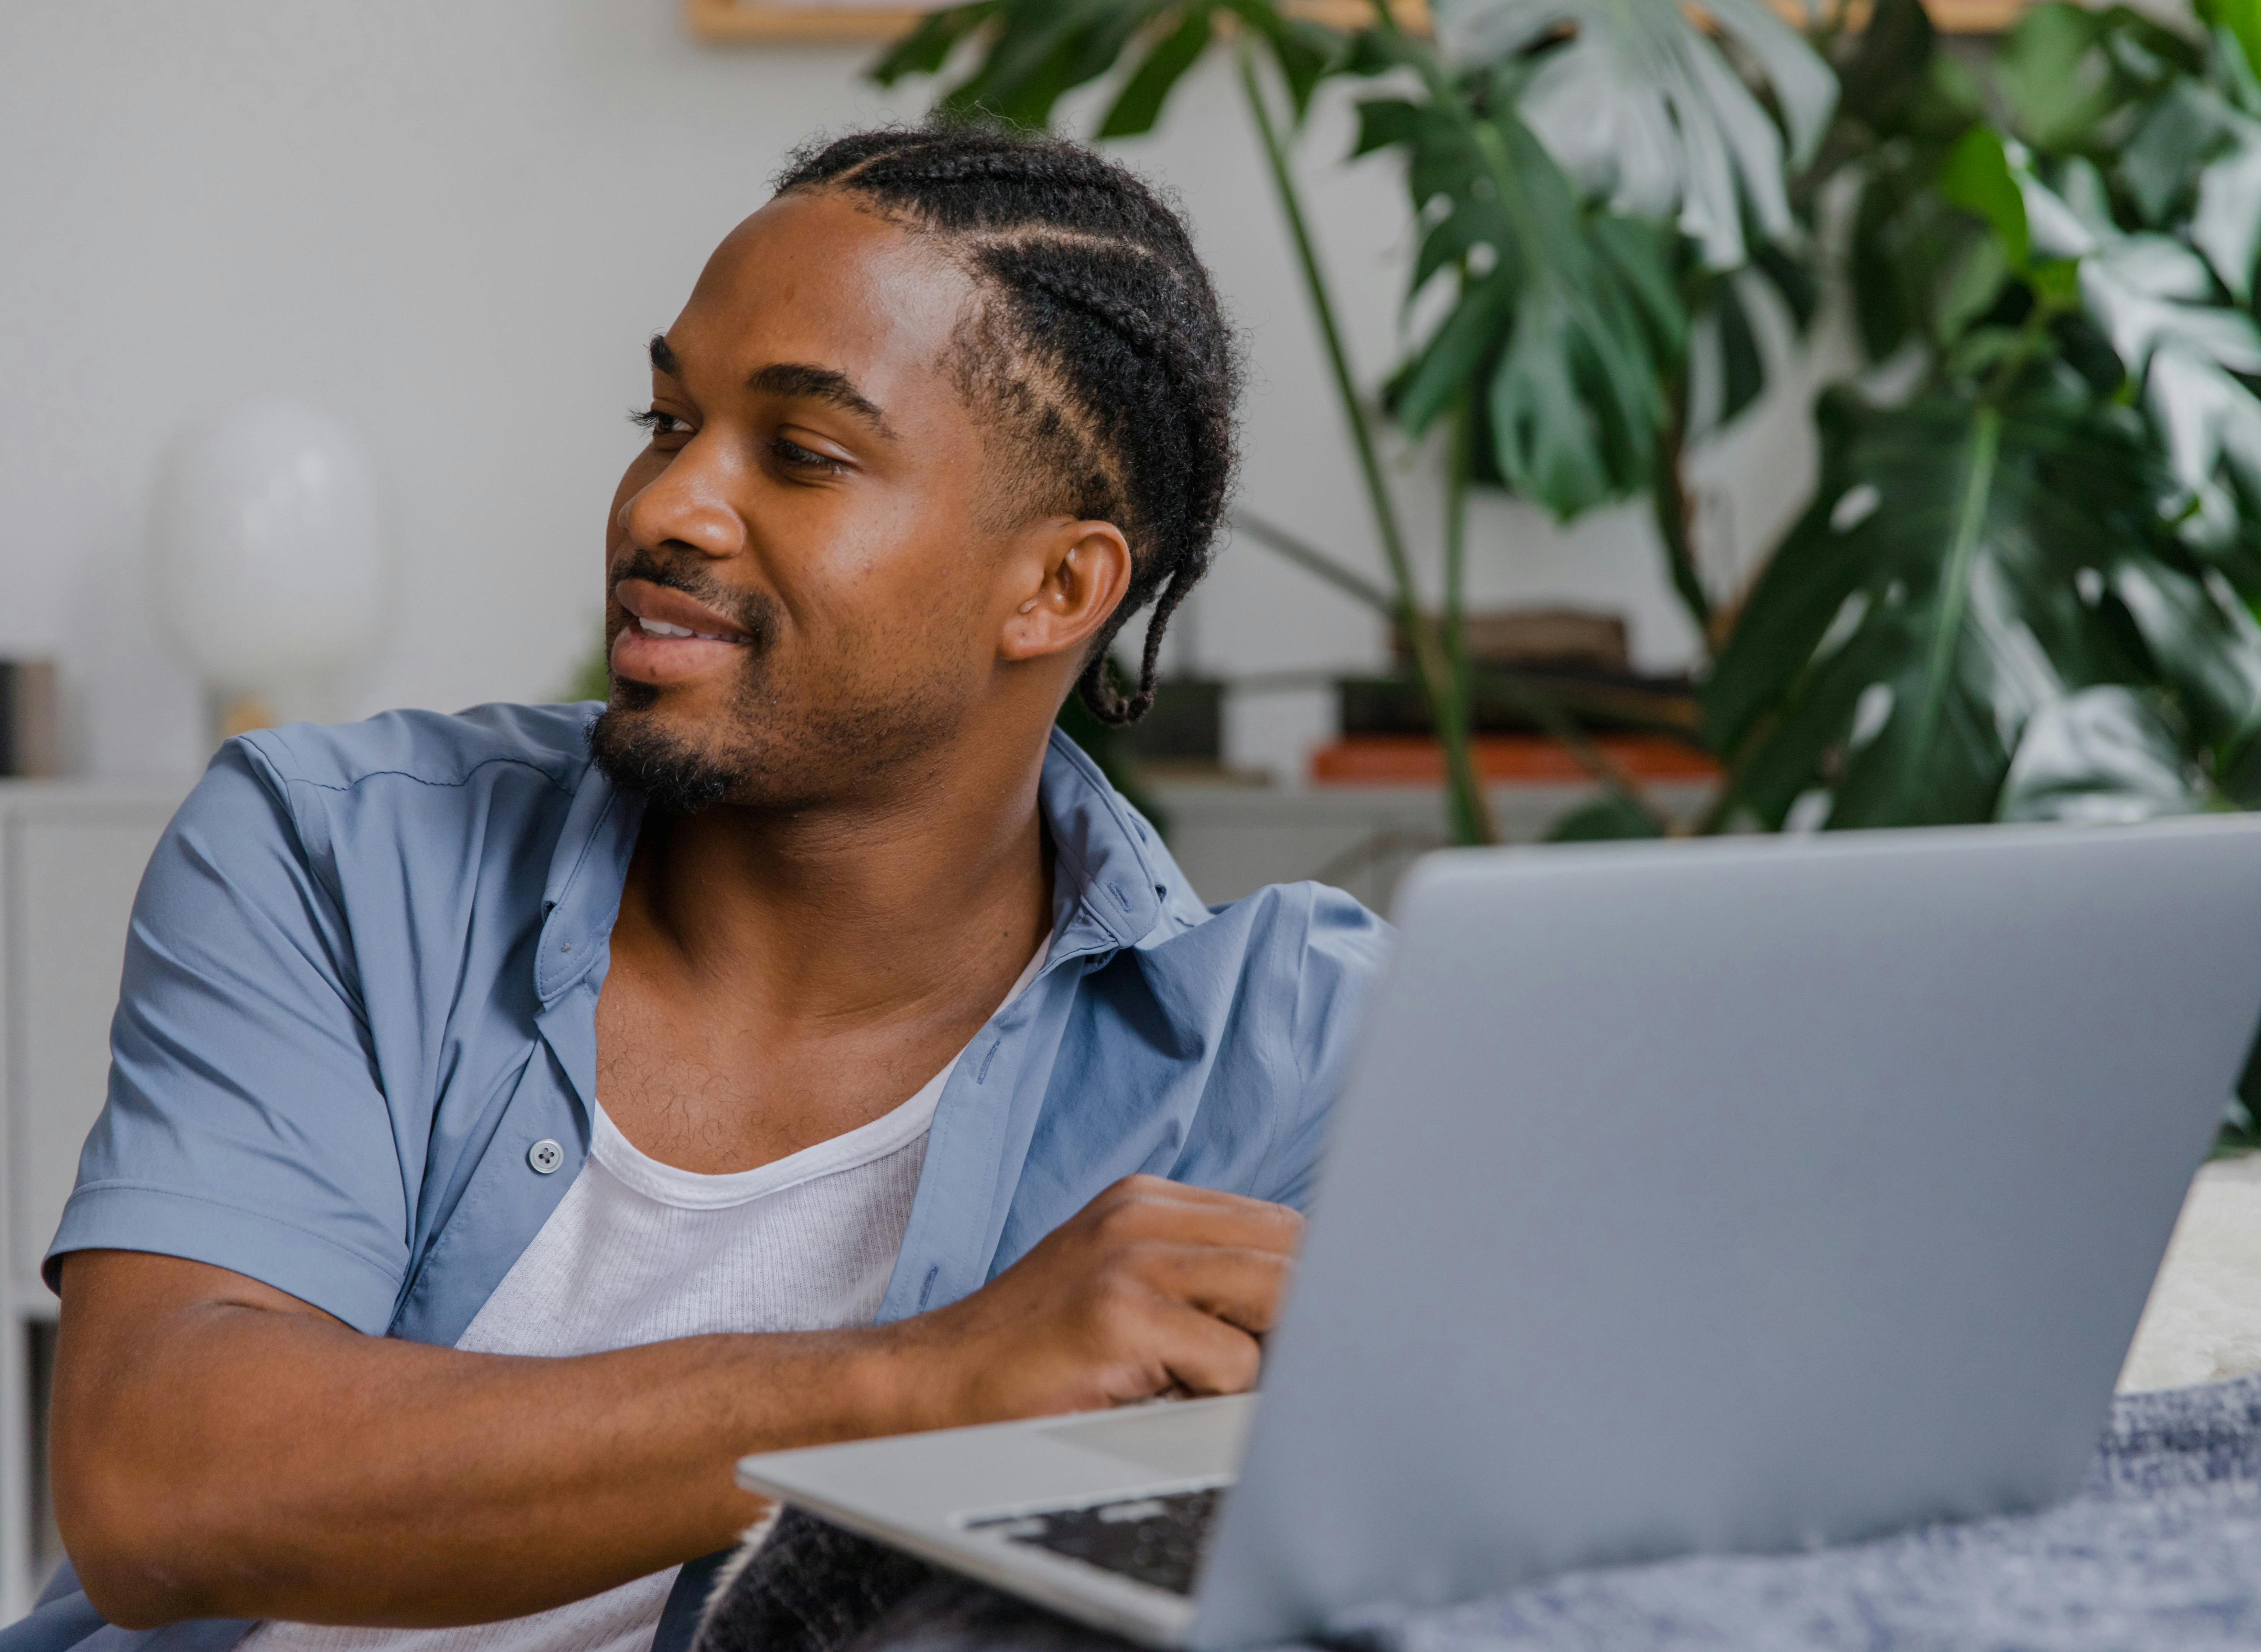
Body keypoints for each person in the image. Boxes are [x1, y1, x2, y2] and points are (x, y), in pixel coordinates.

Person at [9, 124, 1385, 1652]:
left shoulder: (1277, 1053)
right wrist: (923, 1380)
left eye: (800, 453)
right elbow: (163, 1487)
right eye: (666, 420)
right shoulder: (340, 851)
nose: (668, 503)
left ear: (1057, 587)